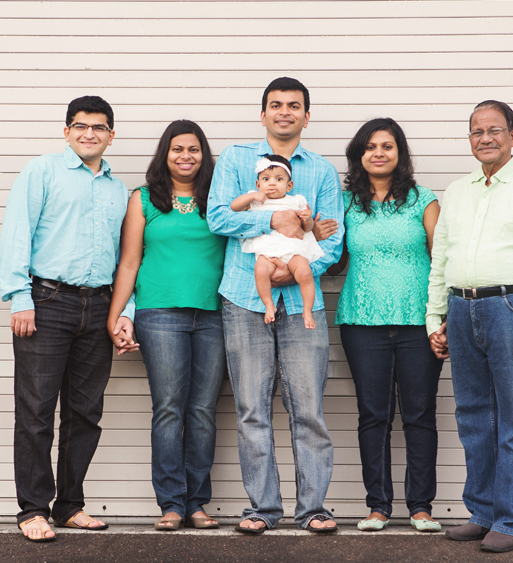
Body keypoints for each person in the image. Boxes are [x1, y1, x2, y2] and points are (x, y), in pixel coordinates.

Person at [426, 101, 513, 553]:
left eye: (494, 130)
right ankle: (482, 512)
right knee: (473, 417)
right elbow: (440, 259)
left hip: (511, 308)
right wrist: (436, 317)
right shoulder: (458, 191)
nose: (485, 138)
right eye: (476, 132)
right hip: (461, 309)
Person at [207, 77, 344, 534]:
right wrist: (272, 217)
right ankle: (262, 510)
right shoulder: (235, 159)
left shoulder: (322, 171)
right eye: (276, 105)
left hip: (303, 299)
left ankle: (313, 510)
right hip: (245, 297)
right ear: (262, 113)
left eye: (294, 106)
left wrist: (295, 268)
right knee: (252, 409)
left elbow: (333, 236)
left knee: (309, 408)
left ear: (307, 116)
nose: (284, 112)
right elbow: (219, 216)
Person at [0, 95, 138, 542]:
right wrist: (20, 296)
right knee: (36, 411)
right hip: (46, 302)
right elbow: (17, 232)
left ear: (111, 136)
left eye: (99, 127)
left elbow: (127, 260)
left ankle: (70, 506)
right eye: (80, 126)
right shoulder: (41, 172)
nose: (89, 133)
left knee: (85, 413)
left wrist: (124, 313)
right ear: (66, 131)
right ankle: (33, 510)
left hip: (99, 308)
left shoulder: (121, 191)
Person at [106, 120, 227, 531]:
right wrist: (116, 313)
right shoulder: (143, 199)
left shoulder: (220, 199)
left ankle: (197, 503)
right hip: (160, 316)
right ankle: (172, 504)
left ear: (203, 155)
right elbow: (128, 261)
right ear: (165, 154)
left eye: (194, 149)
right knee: (169, 410)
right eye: (177, 149)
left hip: (214, 316)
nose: (186, 156)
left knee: (203, 413)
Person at [328, 118, 443, 532]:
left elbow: (441, 260)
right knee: (373, 415)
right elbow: (333, 261)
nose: (379, 152)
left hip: (418, 323)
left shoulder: (424, 200)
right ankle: (378, 506)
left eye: (388, 146)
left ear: (400, 153)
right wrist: (311, 235)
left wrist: (441, 317)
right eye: (371, 146)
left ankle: (421, 507)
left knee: (419, 413)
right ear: (360, 154)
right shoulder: (345, 203)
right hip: (361, 321)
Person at [230, 154, 324, 329]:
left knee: (305, 273)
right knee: (260, 270)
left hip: (294, 249)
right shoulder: (256, 200)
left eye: (279, 179)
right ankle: (268, 305)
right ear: (258, 185)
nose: (272, 183)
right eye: (266, 179)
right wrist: (252, 197)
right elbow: (234, 207)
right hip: (268, 252)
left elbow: (308, 229)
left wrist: (307, 218)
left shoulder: (296, 201)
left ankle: (307, 310)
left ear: (289, 185)